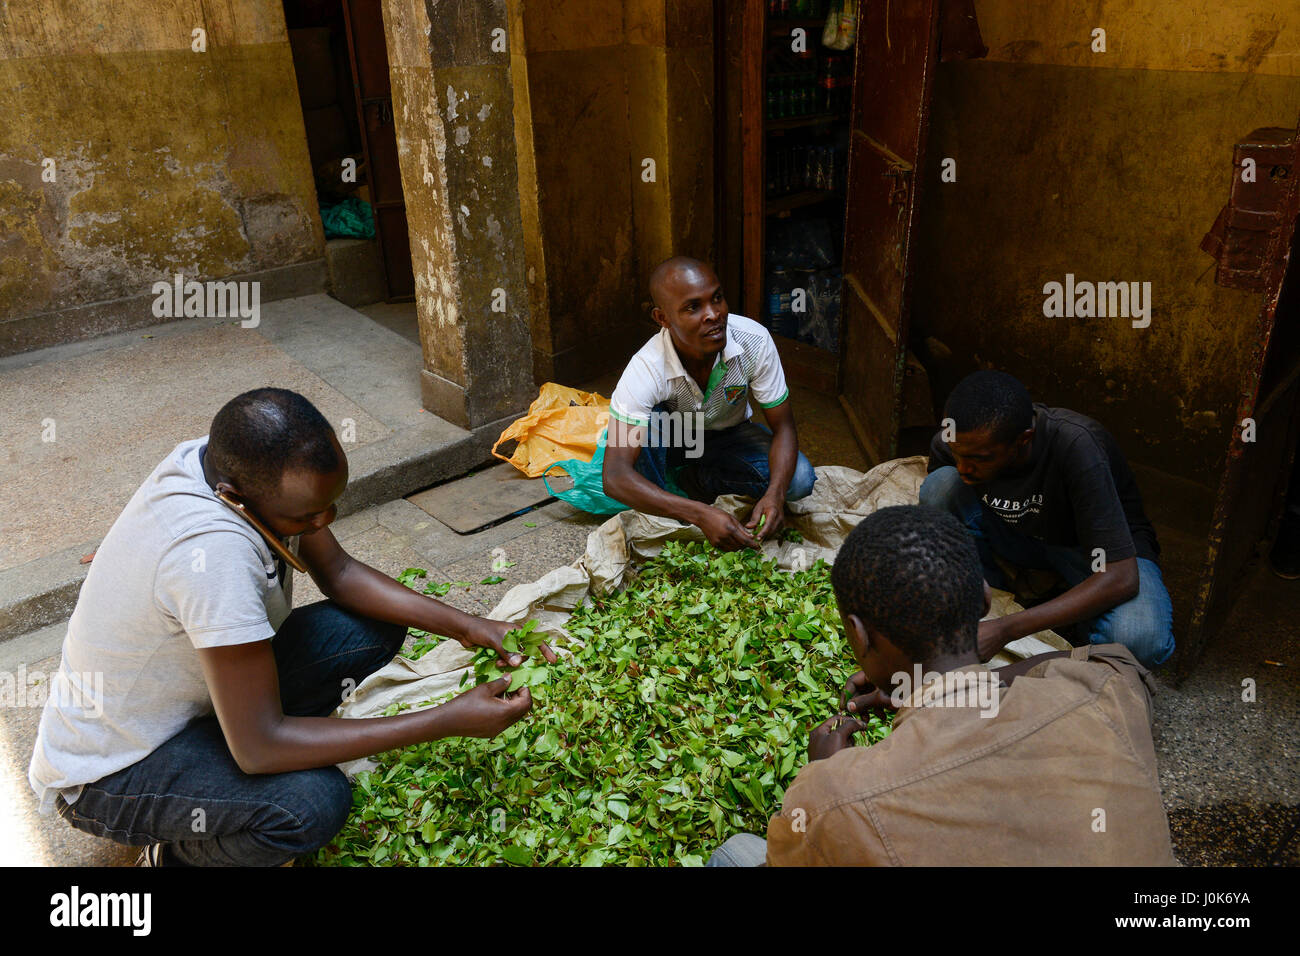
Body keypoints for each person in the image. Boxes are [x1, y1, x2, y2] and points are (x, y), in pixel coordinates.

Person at [29, 388, 548, 866]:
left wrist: (472, 625)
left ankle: (243, 768)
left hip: (198, 707)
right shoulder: (212, 557)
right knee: (312, 802)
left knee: (370, 627)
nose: (321, 524)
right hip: (116, 771)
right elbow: (259, 749)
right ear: (236, 497)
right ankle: (179, 855)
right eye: (305, 518)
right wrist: (445, 719)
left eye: (330, 507)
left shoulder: (221, 461)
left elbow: (339, 573)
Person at [708, 505, 1178, 866]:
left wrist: (828, 775)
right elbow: (1111, 659)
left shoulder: (834, 798)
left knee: (735, 853)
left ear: (858, 634)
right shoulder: (1105, 693)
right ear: (985, 598)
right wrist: (950, 689)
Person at [918, 370, 1175, 669]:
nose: (964, 467)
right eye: (956, 453)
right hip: (1022, 534)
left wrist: (1006, 630)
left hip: (1093, 553)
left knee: (1139, 639)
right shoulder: (960, 442)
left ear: (1024, 440)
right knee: (940, 487)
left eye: (980, 459)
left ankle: (1063, 612)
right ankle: (1000, 597)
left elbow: (1121, 576)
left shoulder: (1077, 445)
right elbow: (945, 504)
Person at [602, 256, 817, 552]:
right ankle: (674, 502)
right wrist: (701, 515)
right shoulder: (646, 367)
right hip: (676, 440)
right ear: (662, 319)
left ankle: (697, 481)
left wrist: (776, 496)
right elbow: (614, 476)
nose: (713, 314)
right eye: (693, 307)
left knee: (800, 480)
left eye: (717, 298)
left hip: (731, 436)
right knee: (649, 422)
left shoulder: (754, 341)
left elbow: (784, 428)